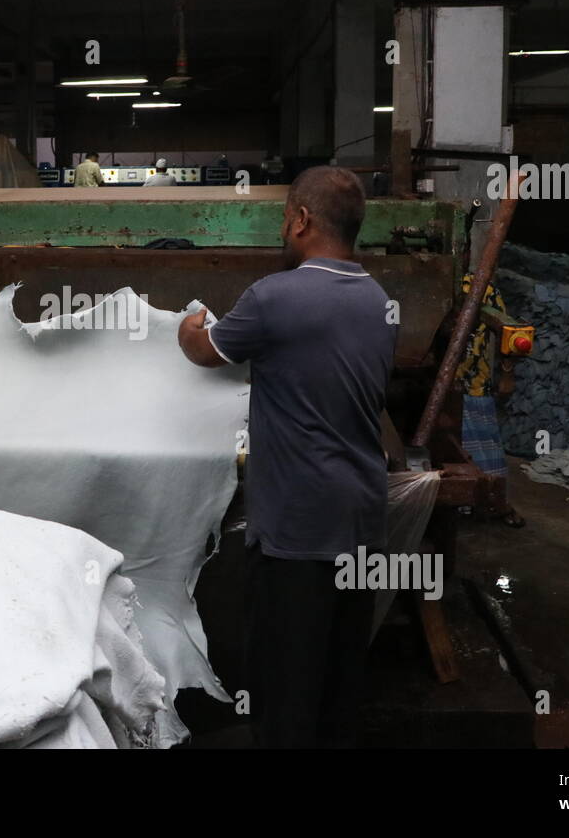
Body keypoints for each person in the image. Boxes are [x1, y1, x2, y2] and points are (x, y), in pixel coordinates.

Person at [176, 166, 396, 747]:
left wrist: (188, 326)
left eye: (284, 217)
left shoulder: (274, 297)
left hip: (297, 530)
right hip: (361, 520)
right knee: (337, 681)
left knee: (284, 689)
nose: (282, 227)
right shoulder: (378, 301)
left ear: (301, 220)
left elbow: (205, 351)